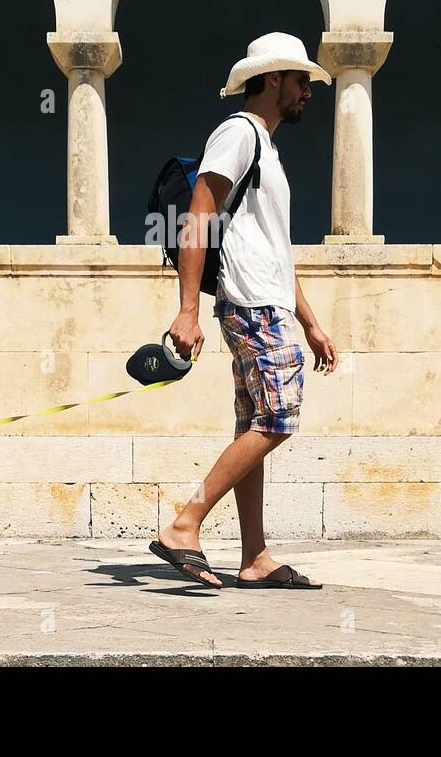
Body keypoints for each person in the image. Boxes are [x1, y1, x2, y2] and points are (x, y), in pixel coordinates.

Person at [150, 32, 338, 590]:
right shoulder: (238, 132)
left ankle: (254, 556)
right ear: (274, 79)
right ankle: (186, 523)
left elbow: (276, 249)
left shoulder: (267, 149)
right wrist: (187, 309)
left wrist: (309, 321)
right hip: (251, 302)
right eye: (301, 81)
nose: (308, 91)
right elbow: (199, 212)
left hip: (269, 301)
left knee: (254, 423)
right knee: (279, 418)